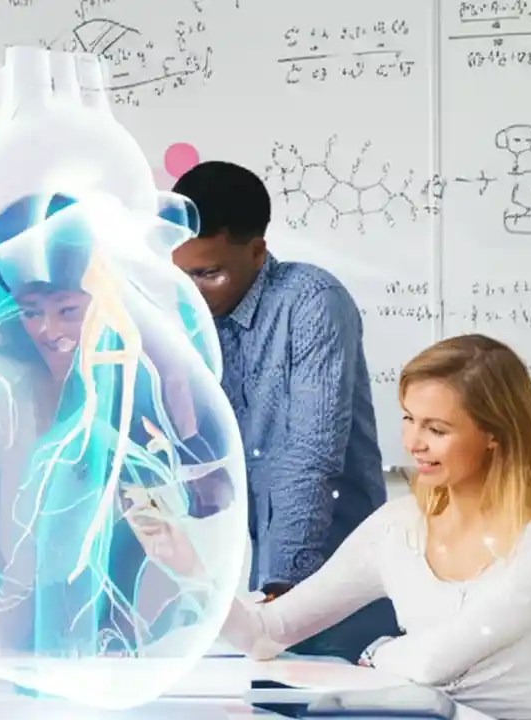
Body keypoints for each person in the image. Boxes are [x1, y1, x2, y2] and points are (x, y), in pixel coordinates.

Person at [133, 334, 531, 720]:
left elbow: (435, 663)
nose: (414, 443)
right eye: (409, 419)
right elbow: (265, 634)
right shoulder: (396, 527)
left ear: (495, 433)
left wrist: (381, 651)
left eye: (437, 429)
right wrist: (187, 565)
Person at [171, 160, 395, 660]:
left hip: (338, 573)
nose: (193, 289)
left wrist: (284, 586)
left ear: (257, 251)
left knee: (344, 690)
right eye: (182, 274)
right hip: (264, 575)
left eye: (209, 274)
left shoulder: (312, 301)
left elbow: (310, 454)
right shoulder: (191, 317)